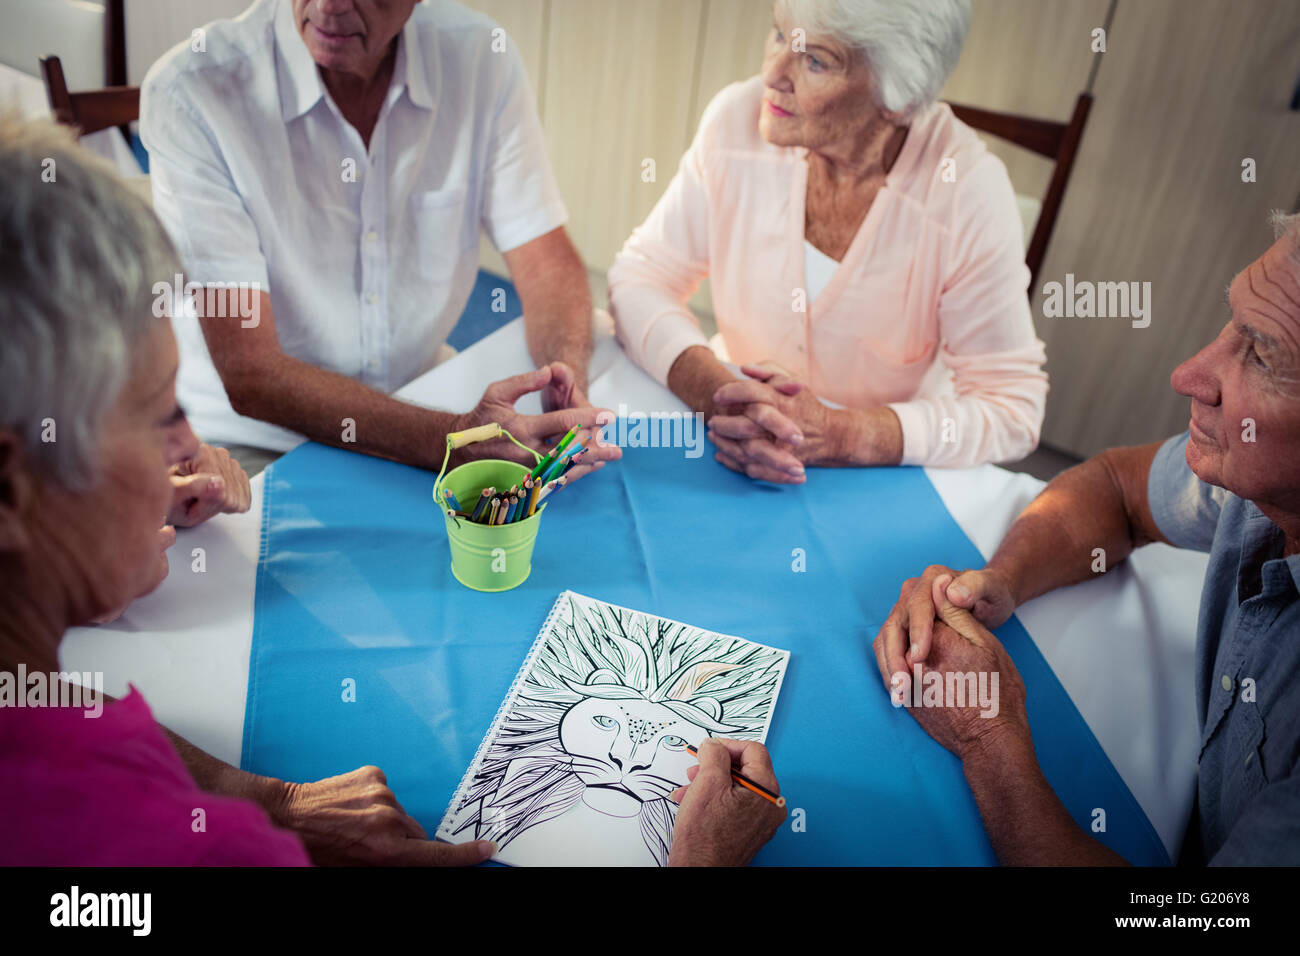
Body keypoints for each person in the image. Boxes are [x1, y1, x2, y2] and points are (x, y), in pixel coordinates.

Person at [0, 117, 779, 867]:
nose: (186, 447)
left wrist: (265, 797)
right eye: (162, 413)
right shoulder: (180, 843)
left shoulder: (45, 694)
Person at [872, 215, 1300, 864]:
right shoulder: (1254, 477)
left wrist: (989, 739)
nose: (1188, 375)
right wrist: (997, 582)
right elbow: (1117, 491)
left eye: (1263, 354)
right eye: (1232, 325)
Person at [140, 0, 620, 478]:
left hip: (424, 399)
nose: (328, 6)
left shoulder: (478, 58)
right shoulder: (192, 91)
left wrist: (567, 383)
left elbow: (545, 259)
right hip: (253, 442)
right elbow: (252, 374)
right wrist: (455, 441)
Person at [609, 0, 1047, 484]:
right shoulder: (736, 119)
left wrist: (840, 434)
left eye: (815, 60)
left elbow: (1012, 407)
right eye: (779, 34)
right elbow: (640, 276)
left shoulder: (968, 192)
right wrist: (717, 394)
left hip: (874, 471)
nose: (773, 74)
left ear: (898, 95)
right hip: (731, 444)